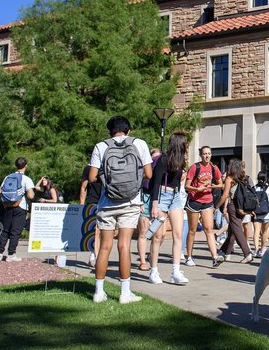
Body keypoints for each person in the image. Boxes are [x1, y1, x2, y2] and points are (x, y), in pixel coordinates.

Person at [88, 115, 151, 304]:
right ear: (128, 130)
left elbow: (91, 177)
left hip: (107, 203)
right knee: (124, 246)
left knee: (105, 246)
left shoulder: (101, 146)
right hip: (130, 202)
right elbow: (148, 173)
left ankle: (98, 292)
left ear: (110, 131)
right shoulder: (139, 143)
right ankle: (125, 293)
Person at [146, 131, 190, 285]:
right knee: (159, 236)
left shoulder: (181, 160)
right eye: (185, 143)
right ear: (179, 144)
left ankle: (175, 271)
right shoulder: (163, 159)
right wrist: (155, 204)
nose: (187, 146)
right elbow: (156, 182)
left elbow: (177, 181)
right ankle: (154, 271)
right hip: (162, 196)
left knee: (178, 234)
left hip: (176, 197)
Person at [184, 146, 223, 267]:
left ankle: (215, 257)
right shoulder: (195, 167)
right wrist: (197, 189)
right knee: (192, 230)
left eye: (209, 153)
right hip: (194, 201)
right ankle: (189, 256)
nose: (207, 156)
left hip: (207, 201)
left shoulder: (213, 168)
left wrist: (212, 186)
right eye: (205, 154)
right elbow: (187, 186)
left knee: (209, 229)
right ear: (201, 155)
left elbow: (221, 184)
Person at [0, 157, 36, 262]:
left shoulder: (8, 177)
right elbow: (31, 196)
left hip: (8, 206)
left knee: (5, 230)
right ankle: (11, 254)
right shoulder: (26, 179)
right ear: (25, 165)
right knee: (15, 231)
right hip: (20, 207)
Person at [216, 158, 254, 265]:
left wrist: (216, 207)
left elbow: (224, 196)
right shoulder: (243, 177)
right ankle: (223, 252)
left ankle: (247, 253)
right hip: (242, 207)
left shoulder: (230, 178)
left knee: (236, 229)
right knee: (232, 231)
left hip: (233, 205)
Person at [80, 155, 103, 267]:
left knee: (104, 231)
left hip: (106, 201)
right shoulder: (88, 169)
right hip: (93, 201)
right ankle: (94, 255)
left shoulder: (108, 166)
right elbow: (83, 187)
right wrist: (81, 204)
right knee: (96, 230)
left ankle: (97, 255)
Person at [252, 171, 269, 257]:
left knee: (256, 232)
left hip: (256, 213)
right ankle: (262, 249)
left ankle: (256, 249)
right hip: (266, 213)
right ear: (266, 178)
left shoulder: (254, 188)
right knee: (265, 232)